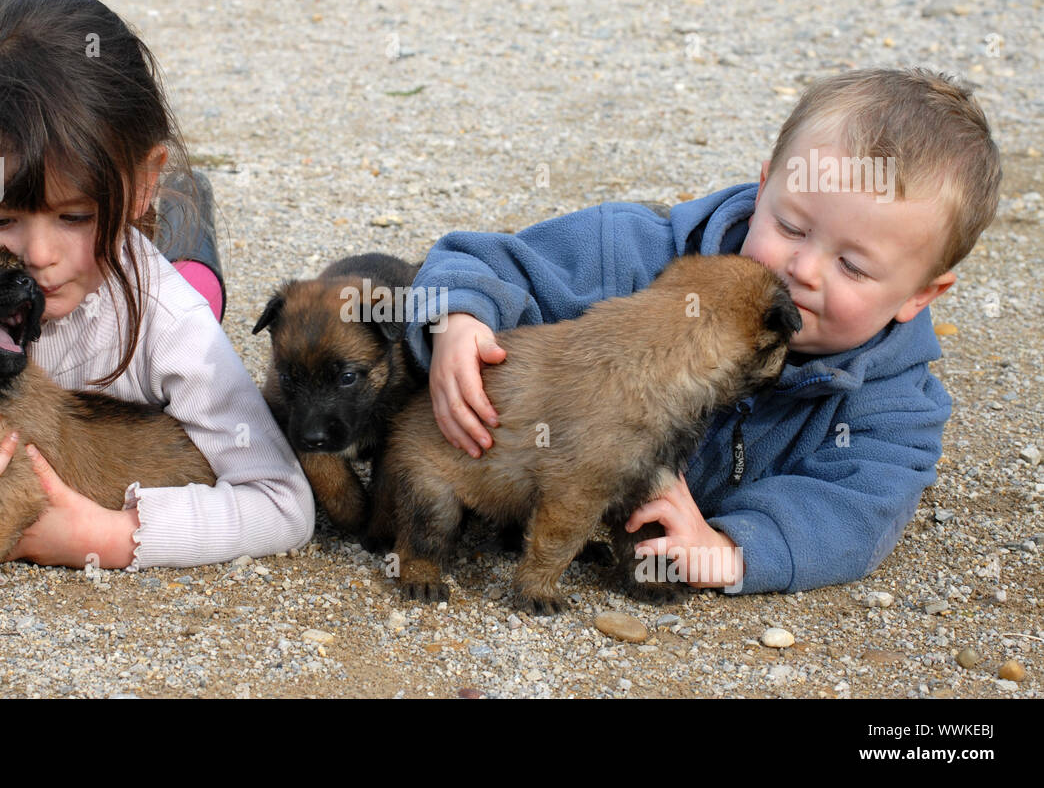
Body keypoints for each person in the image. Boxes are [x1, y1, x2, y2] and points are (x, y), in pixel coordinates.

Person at [404, 68, 1001, 595]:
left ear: (922, 294)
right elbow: (486, 258)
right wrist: (460, 316)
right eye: (791, 226)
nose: (803, 270)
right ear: (764, 188)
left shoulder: (895, 406)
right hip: (511, 477)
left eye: (853, 266)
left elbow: (859, 510)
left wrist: (732, 548)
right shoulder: (632, 253)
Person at [0, 0, 312, 575]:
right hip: (25, 251)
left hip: (149, 287)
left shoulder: (174, 324)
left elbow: (283, 505)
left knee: (191, 285)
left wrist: (109, 534)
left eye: (74, 215)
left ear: (142, 181)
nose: (38, 256)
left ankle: (183, 218)